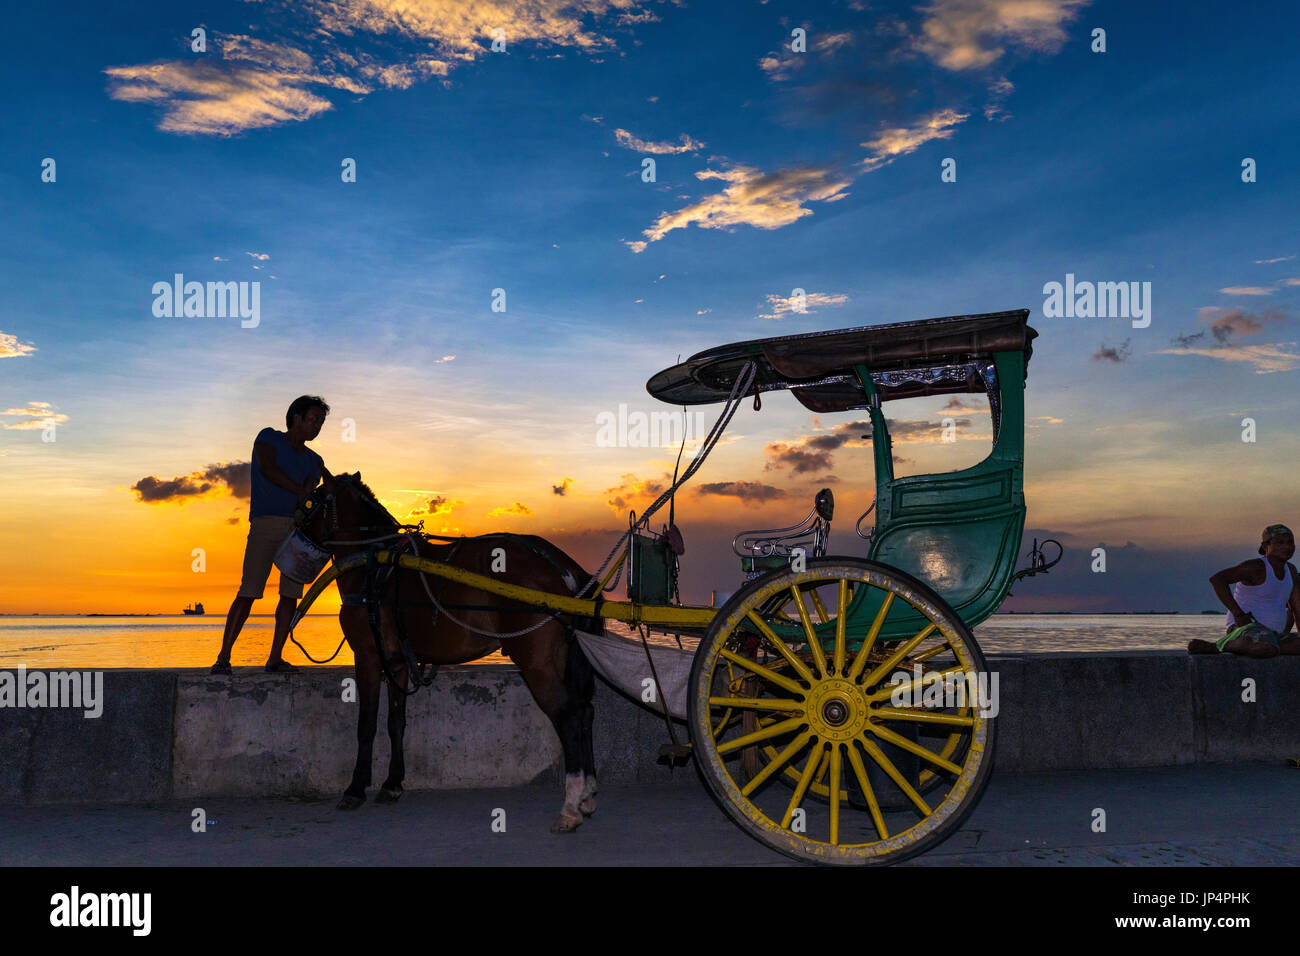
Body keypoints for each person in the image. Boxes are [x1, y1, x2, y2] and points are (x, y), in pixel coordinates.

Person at [210, 396, 332, 674]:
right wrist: (300, 491)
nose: (317, 427)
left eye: (321, 423)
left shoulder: (316, 460)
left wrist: (310, 491)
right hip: (265, 526)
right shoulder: (268, 438)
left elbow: (312, 486)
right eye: (313, 419)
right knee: (249, 591)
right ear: (296, 417)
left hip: (298, 533)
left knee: (290, 596)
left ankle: (275, 657)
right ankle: (223, 657)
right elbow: (268, 469)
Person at [1191, 524, 1300, 658]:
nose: (1287, 547)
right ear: (1266, 546)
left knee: (1269, 646)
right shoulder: (1256, 567)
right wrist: (1238, 615)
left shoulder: (1291, 571)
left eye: (1290, 543)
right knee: (1264, 647)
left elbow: (1296, 607)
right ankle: (1217, 646)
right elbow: (1218, 580)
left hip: (1274, 635)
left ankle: (1274, 647)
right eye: (1280, 542)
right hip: (1244, 630)